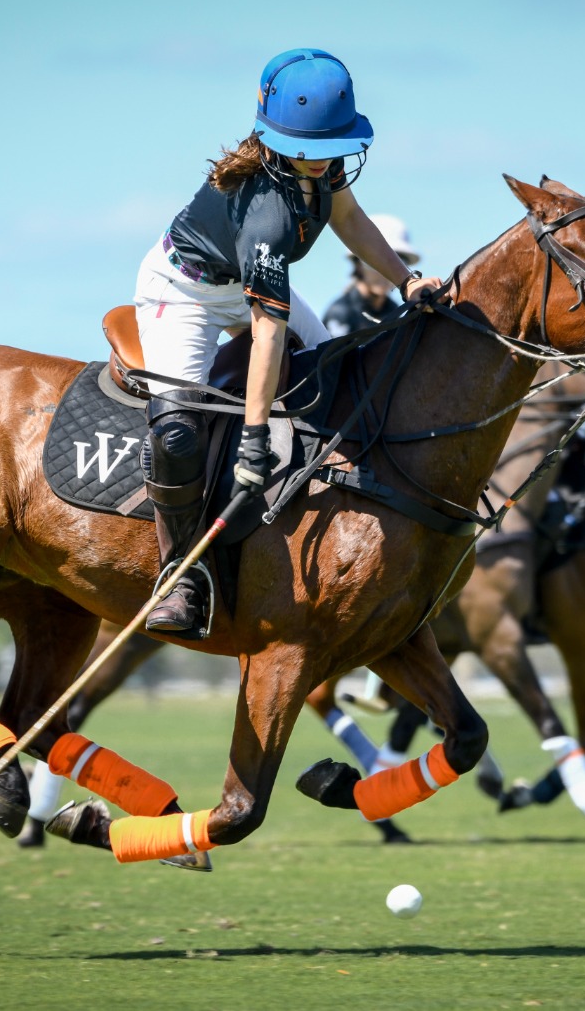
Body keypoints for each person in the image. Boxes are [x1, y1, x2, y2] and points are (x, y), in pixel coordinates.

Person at [134, 48, 441, 635]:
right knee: (177, 433)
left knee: (335, 375)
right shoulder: (267, 218)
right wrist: (253, 440)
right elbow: (267, 334)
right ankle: (179, 575)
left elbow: (350, 219)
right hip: (184, 290)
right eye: (315, 150)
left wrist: (406, 281)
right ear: (282, 143)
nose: (328, 161)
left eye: (335, 147)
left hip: (242, 282)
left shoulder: (315, 167)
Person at [322, 214, 420, 338]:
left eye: (398, 263)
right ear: (357, 265)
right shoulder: (340, 312)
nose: (383, 273)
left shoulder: (393, 310)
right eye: (373, 264)